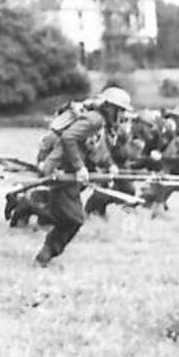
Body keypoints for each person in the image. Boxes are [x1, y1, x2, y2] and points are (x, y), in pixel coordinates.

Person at [33, 86, 131, 267]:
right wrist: (79, 168)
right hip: (60, 169)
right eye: (121, 110)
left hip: (69, 170)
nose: (122, 115)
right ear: (110, 108)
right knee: (74, 218)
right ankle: (44, 255)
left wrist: (110, 165)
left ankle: (45, 251)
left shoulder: (99, 123)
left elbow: (97, 149)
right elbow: (68, 138)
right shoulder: (94, 119)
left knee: (68, 216)